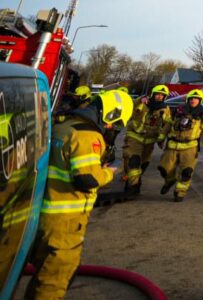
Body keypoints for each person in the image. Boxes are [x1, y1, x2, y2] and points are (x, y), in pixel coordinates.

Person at [25, 89, 133, 299]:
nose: (112, 129)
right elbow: (87, 180)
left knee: (44, 274)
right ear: (112, 115)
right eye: (116, 123)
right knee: (54, 281)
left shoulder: (64, 126)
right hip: (65, 222)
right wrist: (108, 173)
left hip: (44, 216)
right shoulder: (87, 136)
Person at [158, 89, 203, 202]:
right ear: (188, 99)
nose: (193, 100)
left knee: (186, 172)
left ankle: (180, 192)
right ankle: (169, 181)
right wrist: (161, 138)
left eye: (196, 99)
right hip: (172, 145)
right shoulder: (177, 111)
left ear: (200, 101)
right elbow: (168, 125)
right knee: (164, 169)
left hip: (190, 147)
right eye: (191, 98)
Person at [121, 84, 172, 194]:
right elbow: (131, 105)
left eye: (162, 95)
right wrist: (140, 99)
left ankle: (136, 182)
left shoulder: (165, 109)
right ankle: (132, 186)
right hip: (135, 137)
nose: (159, 96)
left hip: (150, 141)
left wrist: (161, 139)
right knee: (133, 161)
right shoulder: (143, 102)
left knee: (143, 164)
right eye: (157, 94)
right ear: (153, 94)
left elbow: (166, 125)